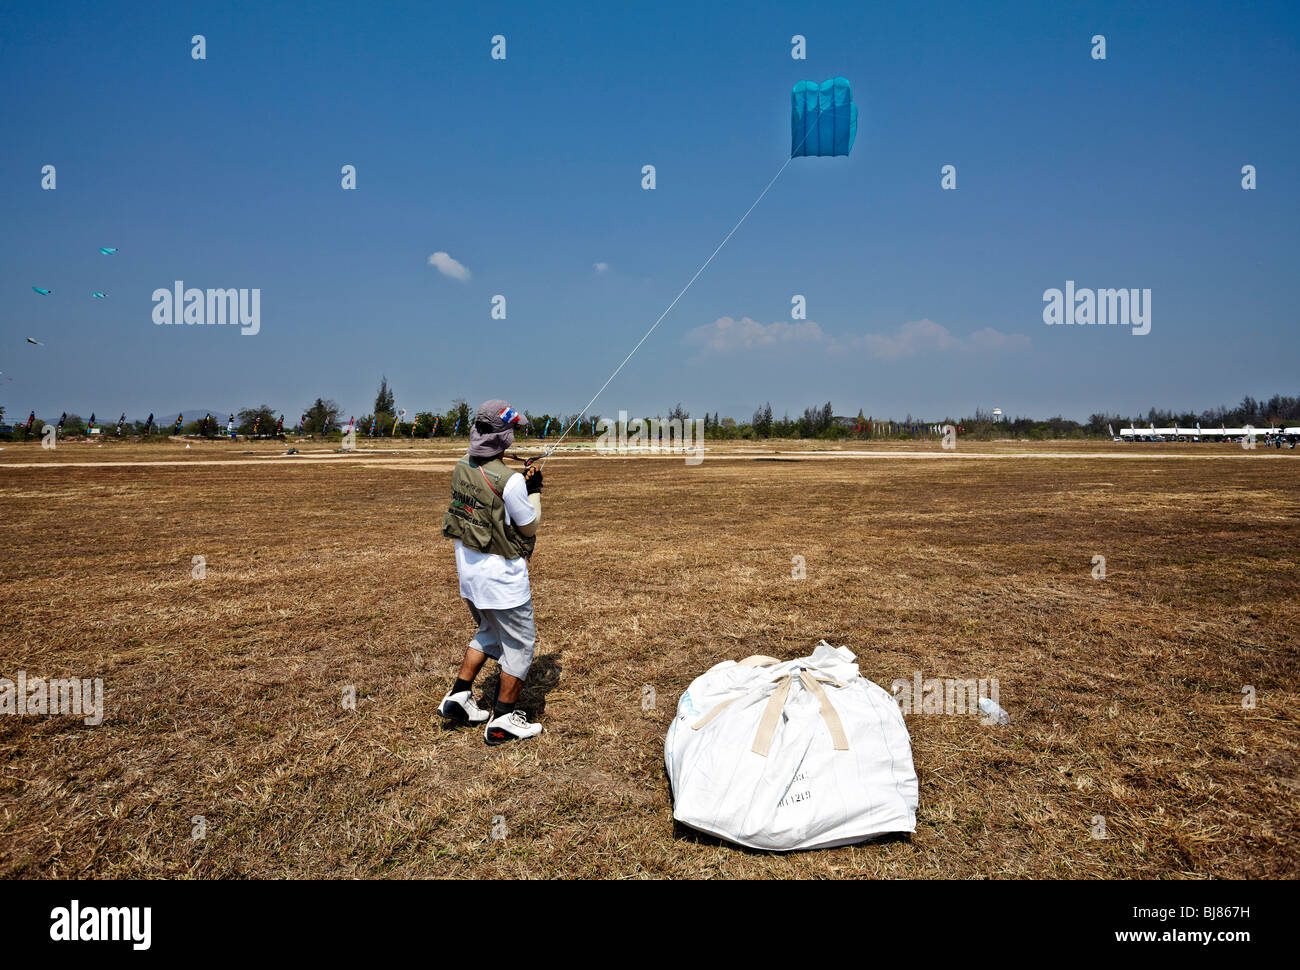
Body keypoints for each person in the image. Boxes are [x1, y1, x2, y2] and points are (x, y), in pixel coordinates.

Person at [438, 400, 546, 745]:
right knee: (520, 645)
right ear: (505, 437)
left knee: (488, 629)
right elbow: (529, 528)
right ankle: (503, 719)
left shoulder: (460, 466)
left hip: (469, 576)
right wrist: (535, 490)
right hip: (502, 582)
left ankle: (458, 696)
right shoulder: (511, 482)